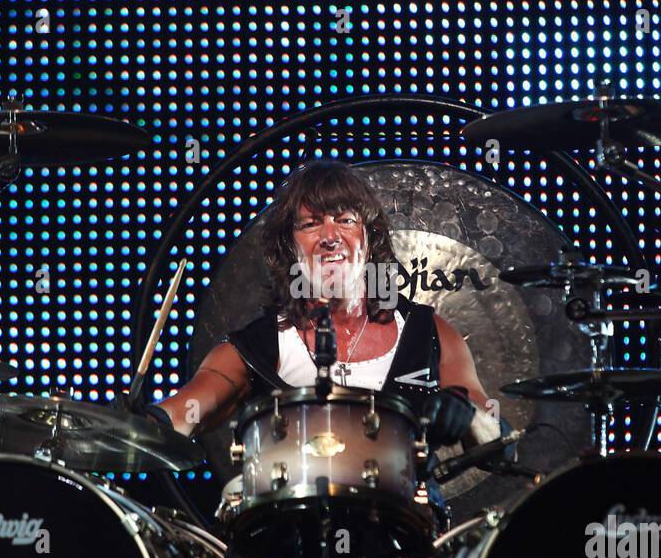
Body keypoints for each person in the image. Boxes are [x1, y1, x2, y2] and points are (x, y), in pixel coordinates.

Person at [142, 159, 508, 507]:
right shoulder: (255, 348)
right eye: (310, 224)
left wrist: (472, 418)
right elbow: (184, 412)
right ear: (289, 245)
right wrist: (139, 426)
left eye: (345, 220)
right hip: (289, 545)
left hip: (406, 539)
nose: (330, 237)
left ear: (370, 236)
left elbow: (498, 437)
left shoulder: (430, 333)